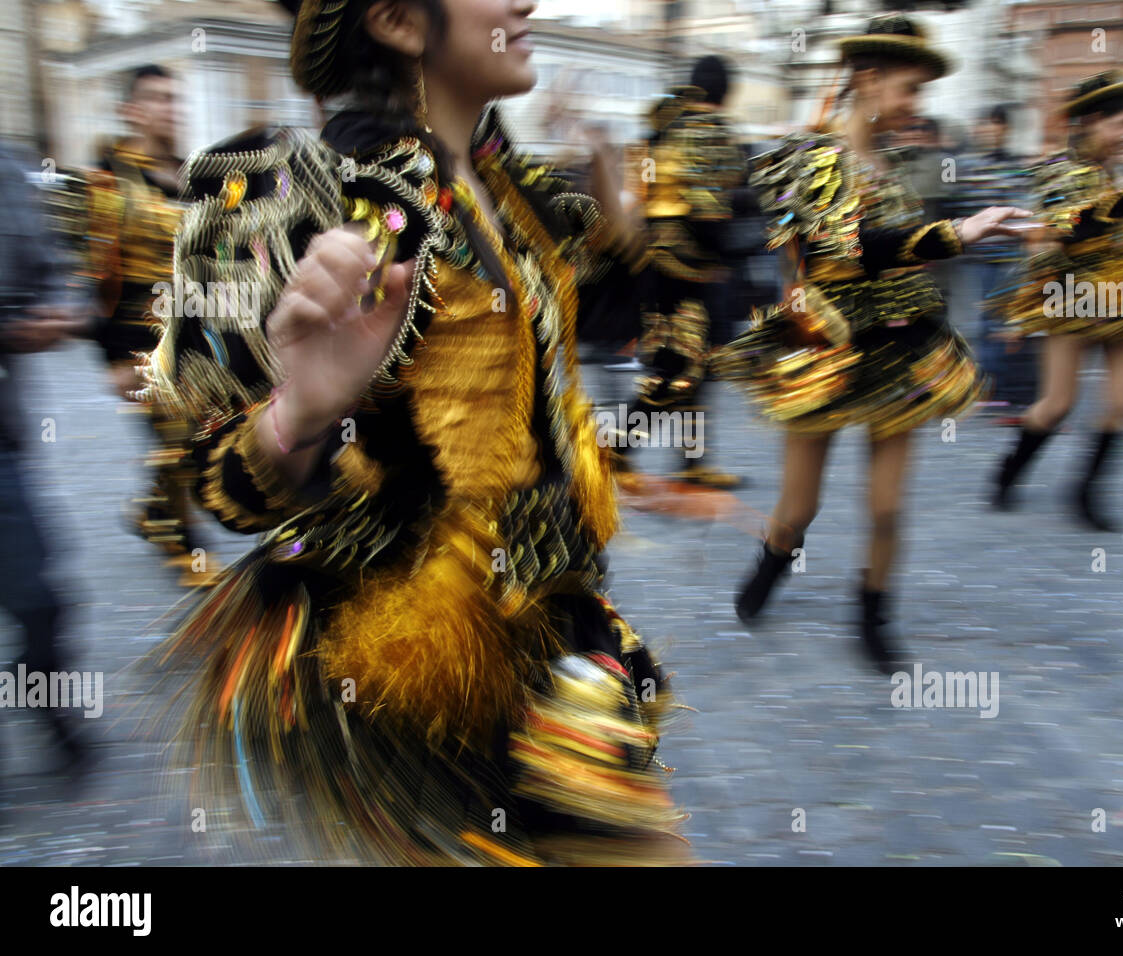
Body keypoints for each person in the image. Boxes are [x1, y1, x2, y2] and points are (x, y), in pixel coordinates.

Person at [143, 0, 687, 865]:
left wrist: (621, 218)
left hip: (550, 610)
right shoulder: (313, 197)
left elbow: (608, 319)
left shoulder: (504, 179)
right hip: (415, 654)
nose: (527, 3)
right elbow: (217, 481)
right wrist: (303, 411)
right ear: (398, 21)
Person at [714, 14, 1028, 672]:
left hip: (900, 348)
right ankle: (774, 558)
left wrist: (976, 231)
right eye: (910, 91)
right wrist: (957, 233)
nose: (917, 107)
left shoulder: (892, 165)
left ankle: (874, 612)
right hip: (822, 348)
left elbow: (896, 255)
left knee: (887, 508)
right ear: (869, 78)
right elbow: (847, 251)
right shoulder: (814, 156)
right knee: (801, 505)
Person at [991, 70, 1123, 532]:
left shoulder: (1111, 172)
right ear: (1093, 121)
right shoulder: (1057, 168)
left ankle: (1086, 494)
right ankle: (1008, 471)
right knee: (1057, 404)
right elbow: (1073, 229)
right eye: (1121, 125)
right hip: (1071, 293)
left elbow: (1114, 240)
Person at [46, 65, 213, 586]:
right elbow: (99, 274)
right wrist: (112, 356)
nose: (173, 109)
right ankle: (179, 540)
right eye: (160, 99)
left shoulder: (192, 175)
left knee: (200, 436)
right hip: (138, 337)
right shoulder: (108, 178)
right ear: (132, 110)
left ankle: (151, 510)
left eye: (176, 98)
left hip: (196, 331)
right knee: (180, 433)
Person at [614, 56, 750, 488]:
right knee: (677, 371)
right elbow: (711, 214)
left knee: (692, 370)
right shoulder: (711, 133)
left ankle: (691, 463)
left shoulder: (664, 128)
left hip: (655, 266)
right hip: (693, 272)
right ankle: (614, 447)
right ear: (727, 92)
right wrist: (730, 258)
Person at [0, 141, 91, 775]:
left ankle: (42, 699)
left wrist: (57, 311)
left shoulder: (8, 172)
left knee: (41, 598)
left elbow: (50, 270)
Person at [949, 104, 1037, 420]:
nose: (985, 131)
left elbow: (1025, 208)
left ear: (1004, 128)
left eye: (991, 125)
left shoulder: (1017, 166)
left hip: (1009, 255)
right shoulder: (968, 166)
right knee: (987, 325)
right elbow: (959, 206)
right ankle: (992, 388)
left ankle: (999, 389)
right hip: (981, 258)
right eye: (982, 125)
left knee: (1002, 324)